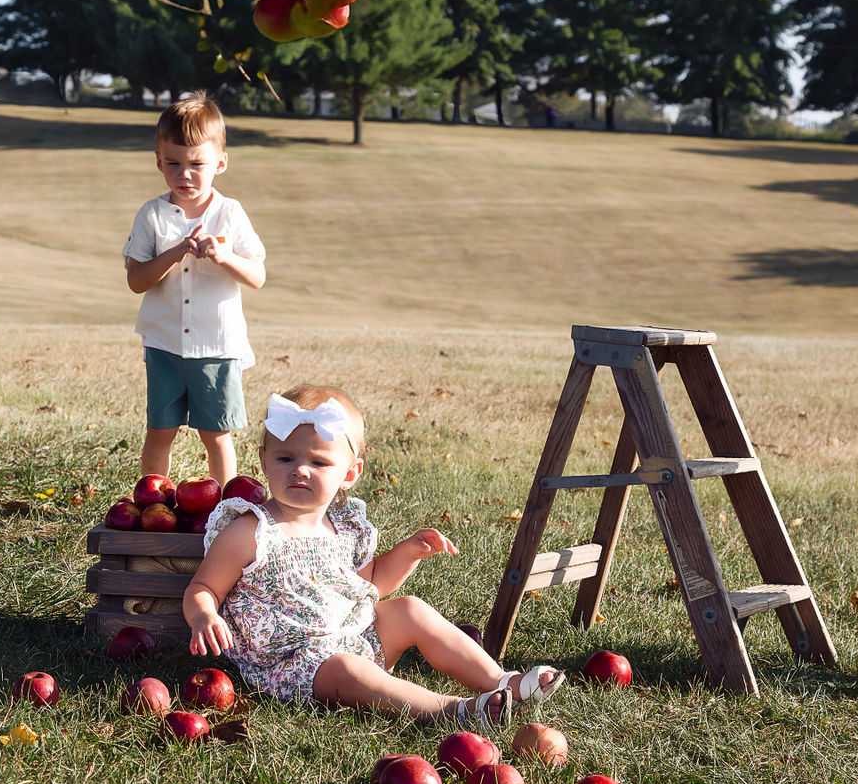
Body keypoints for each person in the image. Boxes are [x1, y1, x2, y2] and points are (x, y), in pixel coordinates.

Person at [182, 385, 564, 728]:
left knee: (410, 608)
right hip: (294, 663)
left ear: (349, 474)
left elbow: (370, 584)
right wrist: (204, 614)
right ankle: (450, 709)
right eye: (285, 458)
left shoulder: (344, 527)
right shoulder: (251, 531)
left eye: (318, 462)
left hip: (354, 635)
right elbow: (203, 586)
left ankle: (502, 682)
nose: (300, 470)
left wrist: (409, 552)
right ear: (264, 462)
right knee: (346, 668)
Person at [124, 92, 266, 485]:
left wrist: (223, 258)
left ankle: (224, 508)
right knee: (159, 432)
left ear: (220, 163)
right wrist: (172, 254)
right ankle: (154, 500)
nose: (184, 174)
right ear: (158, 162)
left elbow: (257, 275)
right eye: (173, 164)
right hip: (165, 343)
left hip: (217, 346)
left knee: (216, 435)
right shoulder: (152, 215)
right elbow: (136, 281)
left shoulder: (230, 213)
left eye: (196, 164)